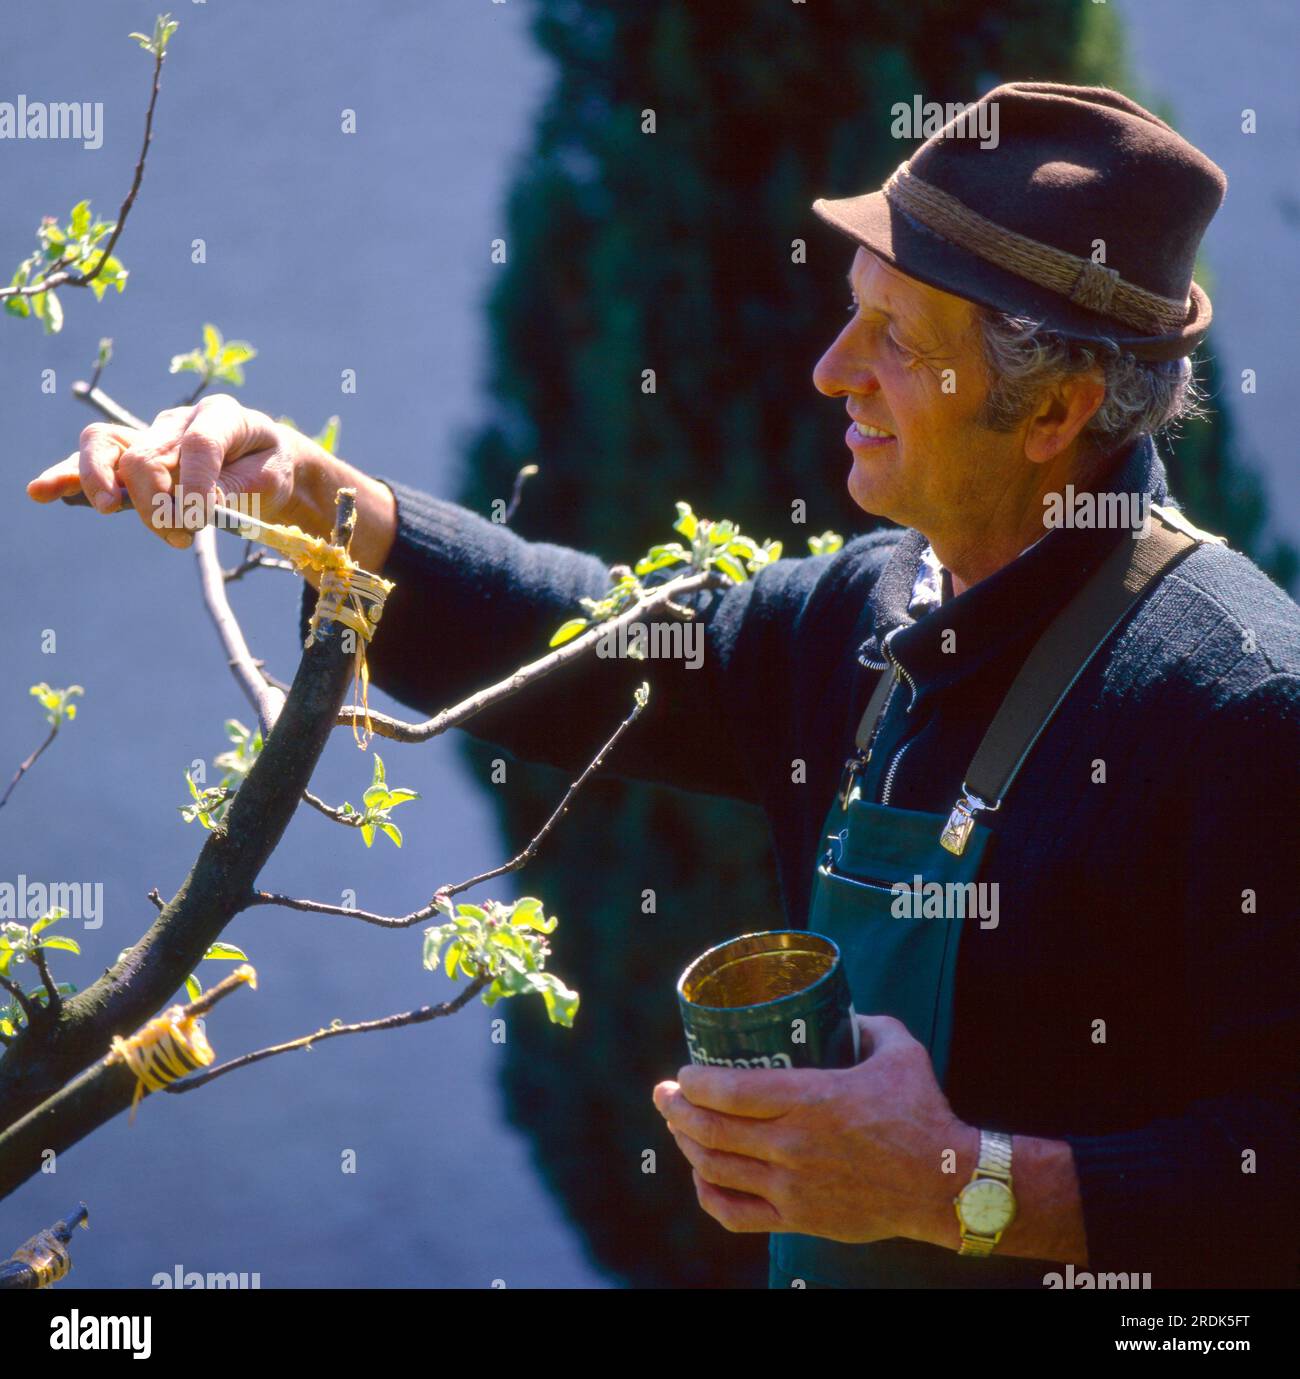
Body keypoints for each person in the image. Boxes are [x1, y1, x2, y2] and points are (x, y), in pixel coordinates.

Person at [29, 83, 1298, 1290]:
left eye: (894, 338)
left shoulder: (1239, 701)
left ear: (1054, 409)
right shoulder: (873, 609)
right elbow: (583, 649)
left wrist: (954, 1185)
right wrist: (310, 493)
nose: (829, 368)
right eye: (850, 309)